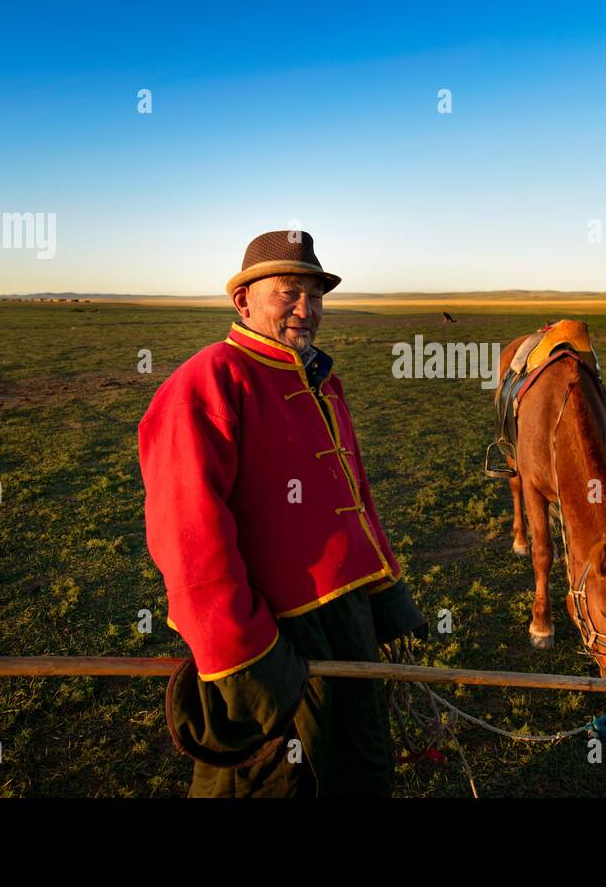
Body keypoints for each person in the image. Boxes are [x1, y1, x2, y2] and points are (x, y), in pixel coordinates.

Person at [138, 230, 425, 797]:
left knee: (357, 762)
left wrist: (385, 602)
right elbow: (187, 541)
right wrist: (249, 662)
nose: (306, 309)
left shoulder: (320, 380)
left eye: (315, 296)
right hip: (274, 633)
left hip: (347, 621)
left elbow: (355, 499)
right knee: (280, 781)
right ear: (243, 301)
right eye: (288, 293)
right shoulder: (206, 384)